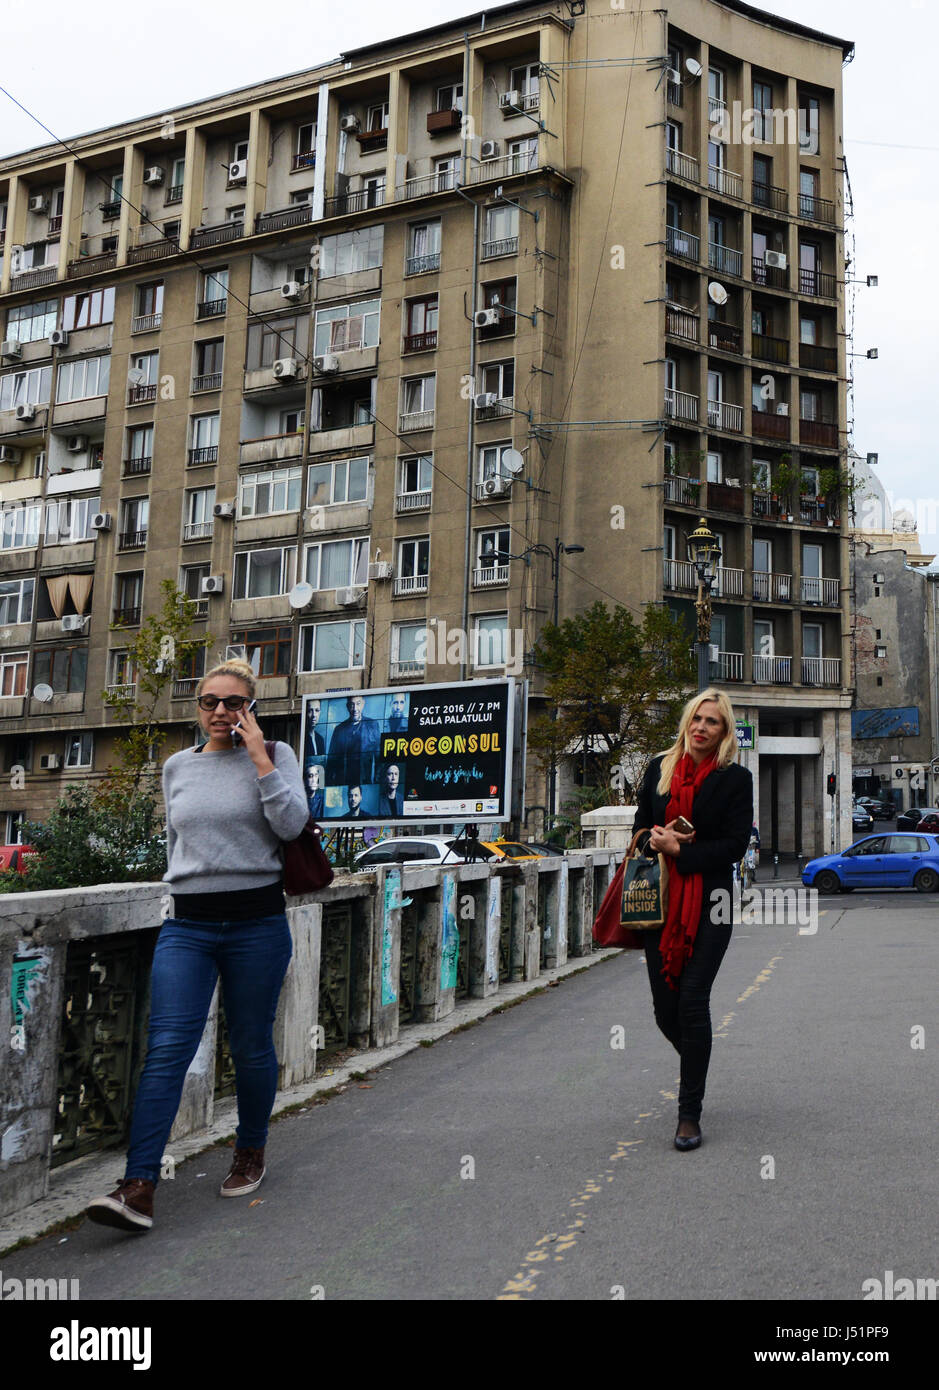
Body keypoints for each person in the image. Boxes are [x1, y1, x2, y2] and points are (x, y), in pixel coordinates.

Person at [86, 659, 309, 1232]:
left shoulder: (278, 757)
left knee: (251, 1044)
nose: (219, 712)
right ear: (198, 707)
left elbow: (292, 826)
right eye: (209, 701)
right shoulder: (176, 767)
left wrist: (259, 759)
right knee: (167, 1049)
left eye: (233, 703)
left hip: (257, 924)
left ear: (251, 707)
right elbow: (175, 847)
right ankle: (137, 1186)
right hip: (186, 926)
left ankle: (250, 1150)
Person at [632, 687, 752, 1152]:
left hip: (712, 900)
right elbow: (639, 828)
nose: (702, 727)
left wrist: (683, 849)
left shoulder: (734, 779)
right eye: (697, 719)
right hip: (659, 902)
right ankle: (696, 1061)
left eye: (713, 722)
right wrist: (655, 840)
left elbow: (735, 846)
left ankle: (688, 1114)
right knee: (665, 1010)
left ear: (724, 732)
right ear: (687, 722)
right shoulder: (658, 769)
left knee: (693, 1001)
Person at [324, 695, 380, 787]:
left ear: (363, 704)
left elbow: (378, 757)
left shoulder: (372, 725)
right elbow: (331, 762)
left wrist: (377, 782)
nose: (355, 709)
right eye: (352, 705)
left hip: (364, 781)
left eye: (358, 704)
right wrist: (327, 786)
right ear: (347, 706)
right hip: (343, 782)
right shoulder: (339, 729)